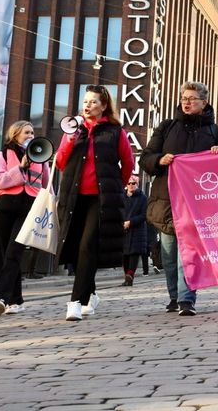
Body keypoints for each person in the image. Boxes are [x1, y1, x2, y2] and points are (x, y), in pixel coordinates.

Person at [141, 81, 218, 317]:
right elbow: (146, 158)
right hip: (167, 199)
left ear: (204, 102)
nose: (187, 102)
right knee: (168, 255)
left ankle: (186, 299)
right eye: (184, 98)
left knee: (187, 253)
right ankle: (174, 296)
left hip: (198, 203)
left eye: (192, 98)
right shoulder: (167, 127)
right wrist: (160, 160)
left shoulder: (216, 132)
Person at [55, 85, 133, 321]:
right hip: (73, 198)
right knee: (77, 248)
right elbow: (60, 162)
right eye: (85, 101)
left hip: (100, 199)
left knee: (88, 246)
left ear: (104, 106)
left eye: (93, 102)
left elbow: (128, 164)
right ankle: (90, 294)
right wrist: (70, 138)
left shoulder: (115, 131)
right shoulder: (73, 129)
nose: (87, 106)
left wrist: (113, 187)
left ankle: (75, 302)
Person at [0, 120, 49, 316]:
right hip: (5, 209)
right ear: (15, 135)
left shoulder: (41, 155)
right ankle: (17, 300)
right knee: (8, 255)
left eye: (32, 133)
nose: (31, 136)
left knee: (14, 253)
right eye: (26, 133)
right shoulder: (3, 154)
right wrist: (20, 169)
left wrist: (50, 207)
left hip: (28, 209)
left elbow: (46, 184)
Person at [121, 175, 148, 287]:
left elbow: (144, 215)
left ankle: (130, 276)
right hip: (123, 229)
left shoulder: (142, 198)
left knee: (134, 253)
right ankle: (126, 275)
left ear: (137, 185)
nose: (131, 185)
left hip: (137, 230)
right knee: (124, 255)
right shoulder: (121, 197)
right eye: (129, 183)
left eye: (133, 183)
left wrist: (131, 222)